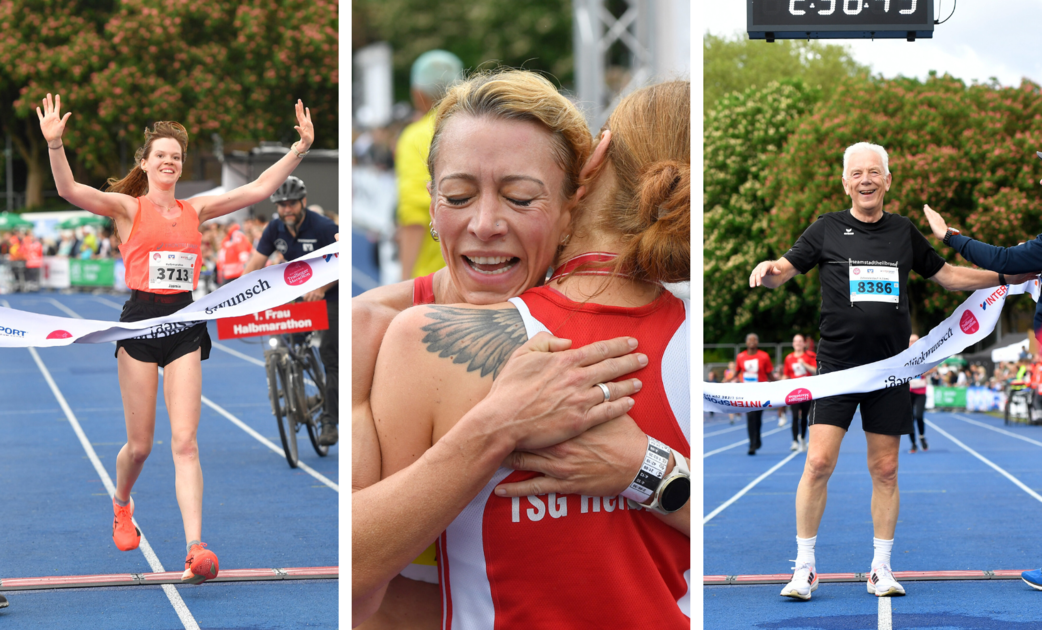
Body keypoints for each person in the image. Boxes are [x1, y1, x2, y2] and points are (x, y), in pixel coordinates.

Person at [370, 79, 690, 628]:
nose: (487, 224)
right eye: (458, 196)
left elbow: (357, 586)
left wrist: (646, 468)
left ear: (586, 176)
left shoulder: (422, 340)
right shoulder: (690, 332)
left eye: (520, 198)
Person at [39, 93, 314, 583]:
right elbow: (68, 191)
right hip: (141, 324)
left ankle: (196, 547)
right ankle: (122, 503)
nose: (169, 161)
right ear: (145, 163)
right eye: (160, 154)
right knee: (141, 446)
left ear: (181, 167)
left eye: (176, 156)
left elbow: (256, 188)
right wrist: (56, 145)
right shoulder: (127, 207)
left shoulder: (197, 208)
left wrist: (299, 148)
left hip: (186, 322)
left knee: (186, 442)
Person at [749, 141, 1034, 601]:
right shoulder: (825, 228)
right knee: (818, 463)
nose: (865, 180)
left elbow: (950, 277)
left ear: (887, 180)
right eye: (857, 173)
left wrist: (1005, 278)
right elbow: (786, 268)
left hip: (890, 371)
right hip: (837, 369)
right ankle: (805, 567)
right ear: (845, 182)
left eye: (874, 172)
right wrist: (770, 270)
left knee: (885, 469)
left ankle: (880, 568)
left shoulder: (903, 231)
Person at [244, 175, 339, 446]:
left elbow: (343, 261)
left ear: (303, 202)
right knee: (292, 346)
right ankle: (299, 379)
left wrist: (323, 287)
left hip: (330, 295)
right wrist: (236, 293)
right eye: (281, 204)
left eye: (291, 204)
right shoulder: (275, 229)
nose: (286, 209)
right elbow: (255, 264)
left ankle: (329, 419)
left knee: (331, 355)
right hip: (297, 295)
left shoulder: (323, 227)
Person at [396, 50, 464, 281]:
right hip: (479, 268)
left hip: (432, 280)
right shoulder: (480, 128)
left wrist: (405, 281)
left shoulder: (414, 136)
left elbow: (415, 213)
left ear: (417, 94)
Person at [736, 332, 773, 455]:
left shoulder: (764, 356)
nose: (752, 342)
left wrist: (781, 385)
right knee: (750, 417)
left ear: (757, 342)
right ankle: (752, 444)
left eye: (754, 340)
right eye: (750, 340)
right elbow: (736, 373)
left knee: (757, 418)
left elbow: (769, 374)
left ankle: (757, 437)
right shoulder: (741, 357)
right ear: (746, 342)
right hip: (747, 392)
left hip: (761, 392)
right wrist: (726, 382)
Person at [783, 333, 817, 452]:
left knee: (804, 418)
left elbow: (816, 371)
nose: (797, 343)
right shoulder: (789, 358)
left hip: (807, 391)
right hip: (793, 392)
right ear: (793, 343)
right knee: (794, 416)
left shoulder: (810, 355)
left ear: (804, 343)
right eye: (795, 341)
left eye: (800, 341)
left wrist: (804, 364)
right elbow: (786, 374)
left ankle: (802, 438)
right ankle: (794, 441)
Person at [907, 334, 929, 453]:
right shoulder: (905, 355)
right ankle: (913, 444)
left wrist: (924, 371)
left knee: (919, 416)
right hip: (908, 392)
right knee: (910, 419)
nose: (913, 343)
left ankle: (922, 437)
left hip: (920, 391)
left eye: (915, 340)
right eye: (911, 341)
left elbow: (934, 367)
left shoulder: (925, 353)